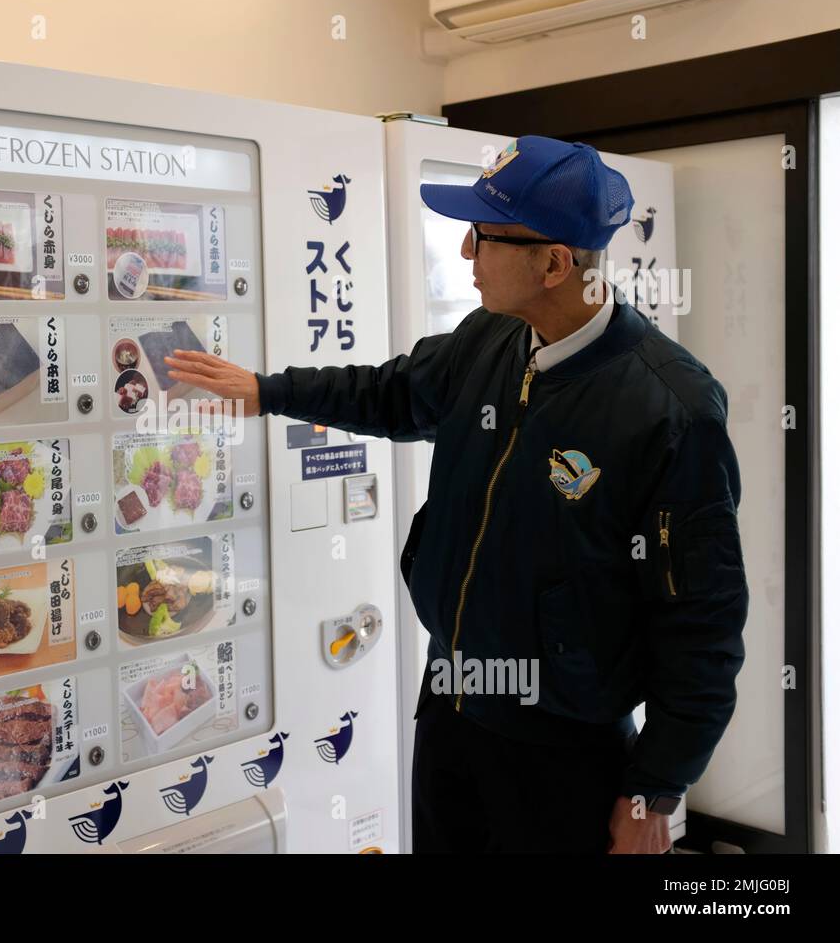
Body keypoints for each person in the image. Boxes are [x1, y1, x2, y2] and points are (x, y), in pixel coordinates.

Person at [165, 135, 749, 853]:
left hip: (562, 750)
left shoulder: (669, 408)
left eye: (484, 235)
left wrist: (653, 790)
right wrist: (268, 391)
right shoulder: (491, 339)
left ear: (554, 264)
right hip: (451, 707)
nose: (467, 251)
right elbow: (392, 392)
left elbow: (705, 629)